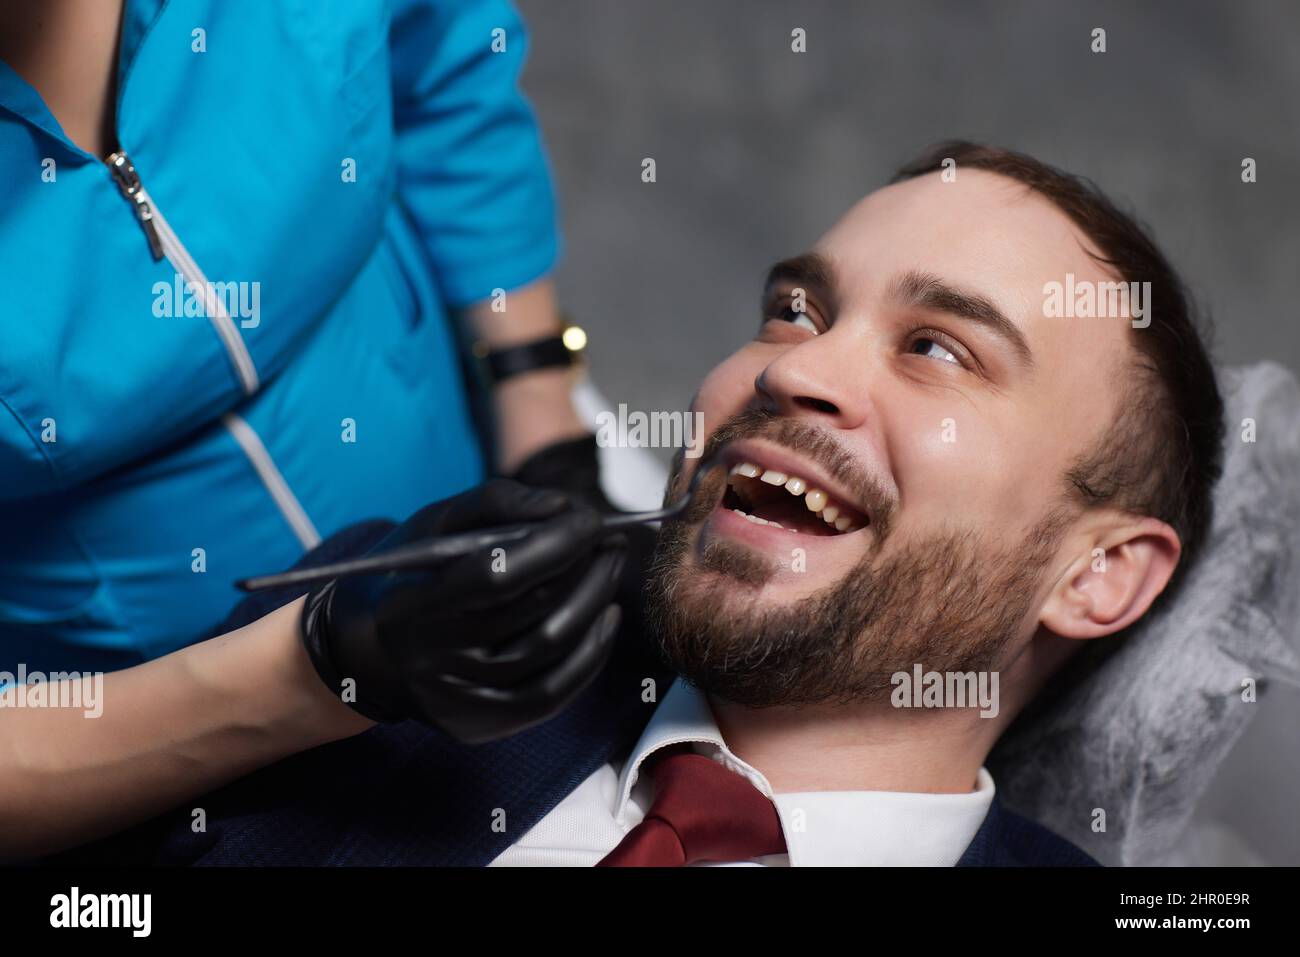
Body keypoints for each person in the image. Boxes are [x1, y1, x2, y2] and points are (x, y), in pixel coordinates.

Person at [21, 141, 1226, 867]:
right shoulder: (386, 646)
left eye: (938, 349)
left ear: (1100, 573)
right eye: (796, 309)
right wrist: (301, 676)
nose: (790, 370)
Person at [0, 0, 631, 858]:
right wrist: (312, 669)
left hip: (469, 456)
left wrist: (537, 400)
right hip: (159, 776)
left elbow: (444, 54)